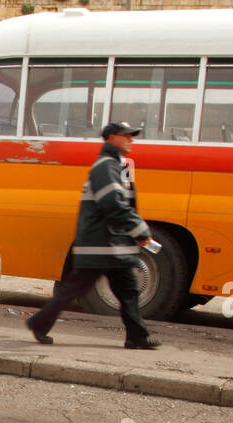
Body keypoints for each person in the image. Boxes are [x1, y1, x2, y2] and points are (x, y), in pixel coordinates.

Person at [25, 121, 161, 350]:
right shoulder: (106, 166)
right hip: (103, 244)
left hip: (111, 244)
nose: (132, 140)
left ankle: (137, 336)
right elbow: (113, 204)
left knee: (127, 290)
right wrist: (140, 230)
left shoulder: (116, 165)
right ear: (111, 138)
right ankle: (38, 322)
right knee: (76, 289)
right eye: (126, 135)